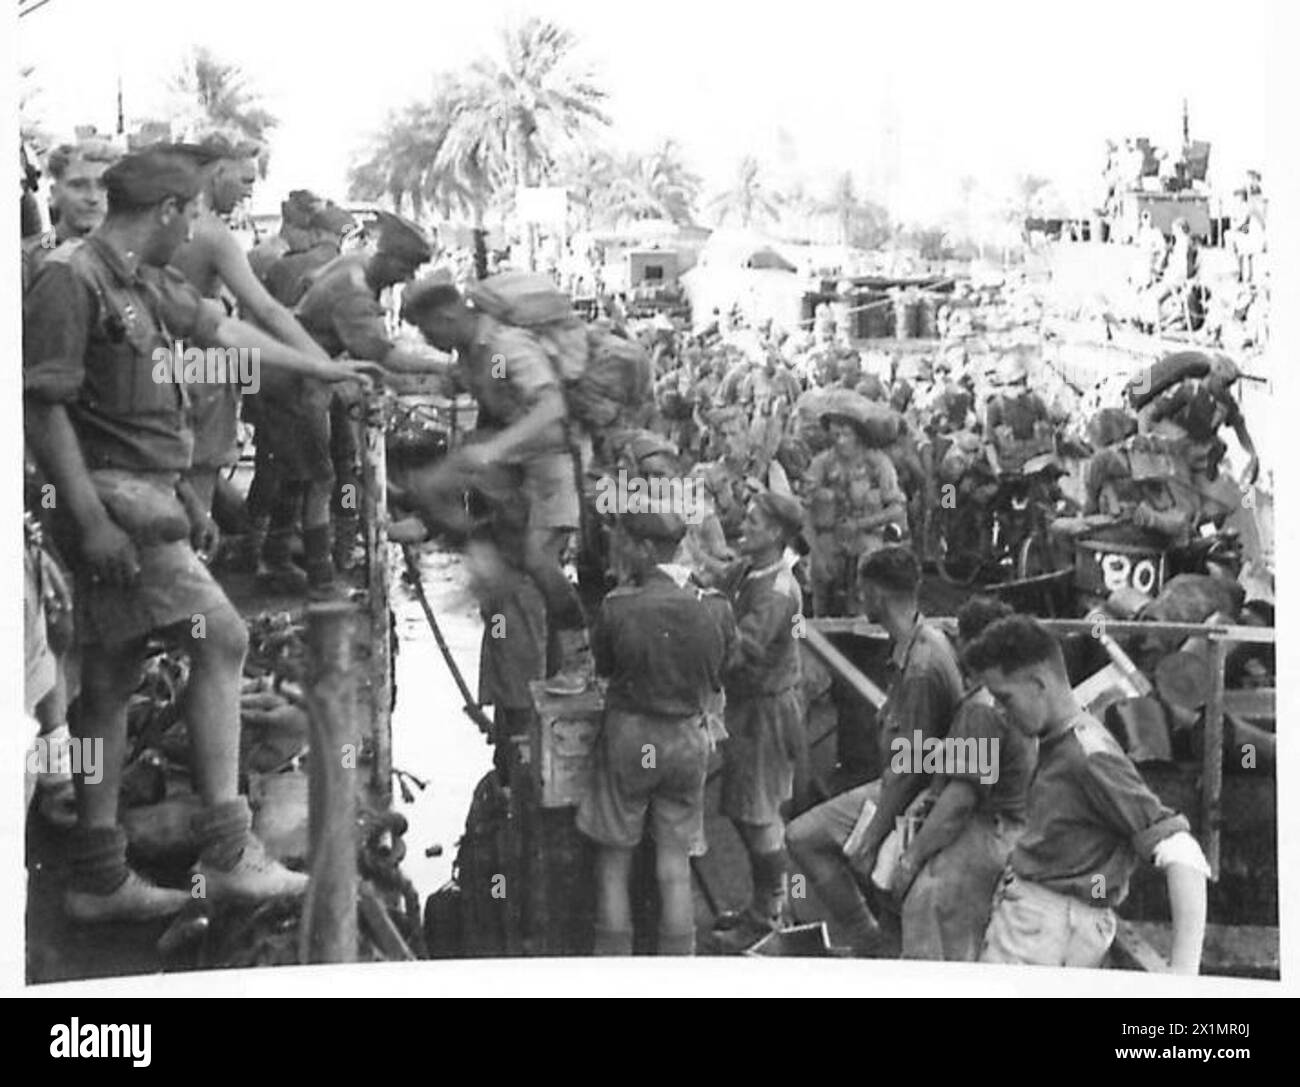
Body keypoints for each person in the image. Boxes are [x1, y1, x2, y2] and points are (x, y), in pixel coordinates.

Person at [22, 145, 357, 921]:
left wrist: (321, 371)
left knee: (108, 679)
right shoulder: (73, 279)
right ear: (170, 211)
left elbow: (221, 334)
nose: (201, 231)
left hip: (146, 499)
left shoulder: (138, 280)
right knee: (224, 639)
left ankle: (98, 876)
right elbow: (44, 408)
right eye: (195, 215)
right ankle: (229, 848)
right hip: (118, 510)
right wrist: (93, 516)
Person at [965, 615, 1208, 972]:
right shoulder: (1056, 743)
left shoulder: (1089, 756)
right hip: (1037, 921)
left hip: (1049, 932)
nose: (1001, 711)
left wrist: (1184, 978)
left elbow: (1182, 851)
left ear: (1038, 684)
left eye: (1005, 698)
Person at [399, 276, 593, 692]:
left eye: (426, 328)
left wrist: (494, 449)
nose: (426, 338)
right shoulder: (472, 355)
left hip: (551, 456)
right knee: (427, 485)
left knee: (541, 560)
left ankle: (581, 656)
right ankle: (483, 552)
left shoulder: (507, 348)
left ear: (448, 316)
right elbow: (467, 387)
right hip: (510, 456)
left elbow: (551, 407)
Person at [786, 548, 963, 954]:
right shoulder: (922, 644)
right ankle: (877, 941)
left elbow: (909, 769)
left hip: (912, 793)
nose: (859, 600)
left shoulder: (919, 665)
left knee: (804, 838)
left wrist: (873, 834)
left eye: (863, 592)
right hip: (906, 786)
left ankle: (869, 944)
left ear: (879, 594)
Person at [575, 510, 736, 955]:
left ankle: (614, 970)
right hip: (687, 738)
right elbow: (726, 668)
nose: (620, 551)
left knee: (614, 860)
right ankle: (677, 970)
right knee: (675, 864)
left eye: (626, 543)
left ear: (647, 550)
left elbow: (604, 668)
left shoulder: (617, 605)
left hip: (632, 738)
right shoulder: (716, 606)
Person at [289, 209, 437, 591]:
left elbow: (309, 284)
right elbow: (383, 354)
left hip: (320, 372)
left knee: (344, 469)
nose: (409, 278)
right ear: (387, 258)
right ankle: (321, 572)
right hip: (298, 379)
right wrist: (442, 369)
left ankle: (342, 549)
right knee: (321, 477)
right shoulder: (354, 294)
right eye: (406, 267)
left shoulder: (355, 265)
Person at [886, 597, 1035, 960]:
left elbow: (960, 799)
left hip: (974, 839)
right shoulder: (1020, 697)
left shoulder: (981, 711)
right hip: (1006, 836)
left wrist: (912, 858)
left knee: (932, 946)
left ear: (970, 644)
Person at [711, 493, 807, 951]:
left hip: (766, 713)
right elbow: (713, 579)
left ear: (775, 534)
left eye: (752, 521)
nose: (742, 525)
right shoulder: (751, 571)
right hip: (749, 709)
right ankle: (761, 905)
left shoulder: (778, 592)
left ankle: (772, 912)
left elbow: (741, 650)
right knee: (747, 810)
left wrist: (693, 659)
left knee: (760, 815)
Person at [804, 404, 907, 616]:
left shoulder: (879, 462)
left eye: (846, 434)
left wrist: (942, 500)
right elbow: (804, 510)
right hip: (830, 537)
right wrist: (816, 553)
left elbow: (899, 506)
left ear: (858, 435)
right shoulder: (822, 463)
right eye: (835, 434)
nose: (840, 440)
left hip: (868, 535)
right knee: (819, 588)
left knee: (868, 576)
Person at [22, 139, 122, 290]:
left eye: (104, 186)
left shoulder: (130, 259)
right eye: (78, 185)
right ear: (54, 194)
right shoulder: (26, 260)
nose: (93, 198)